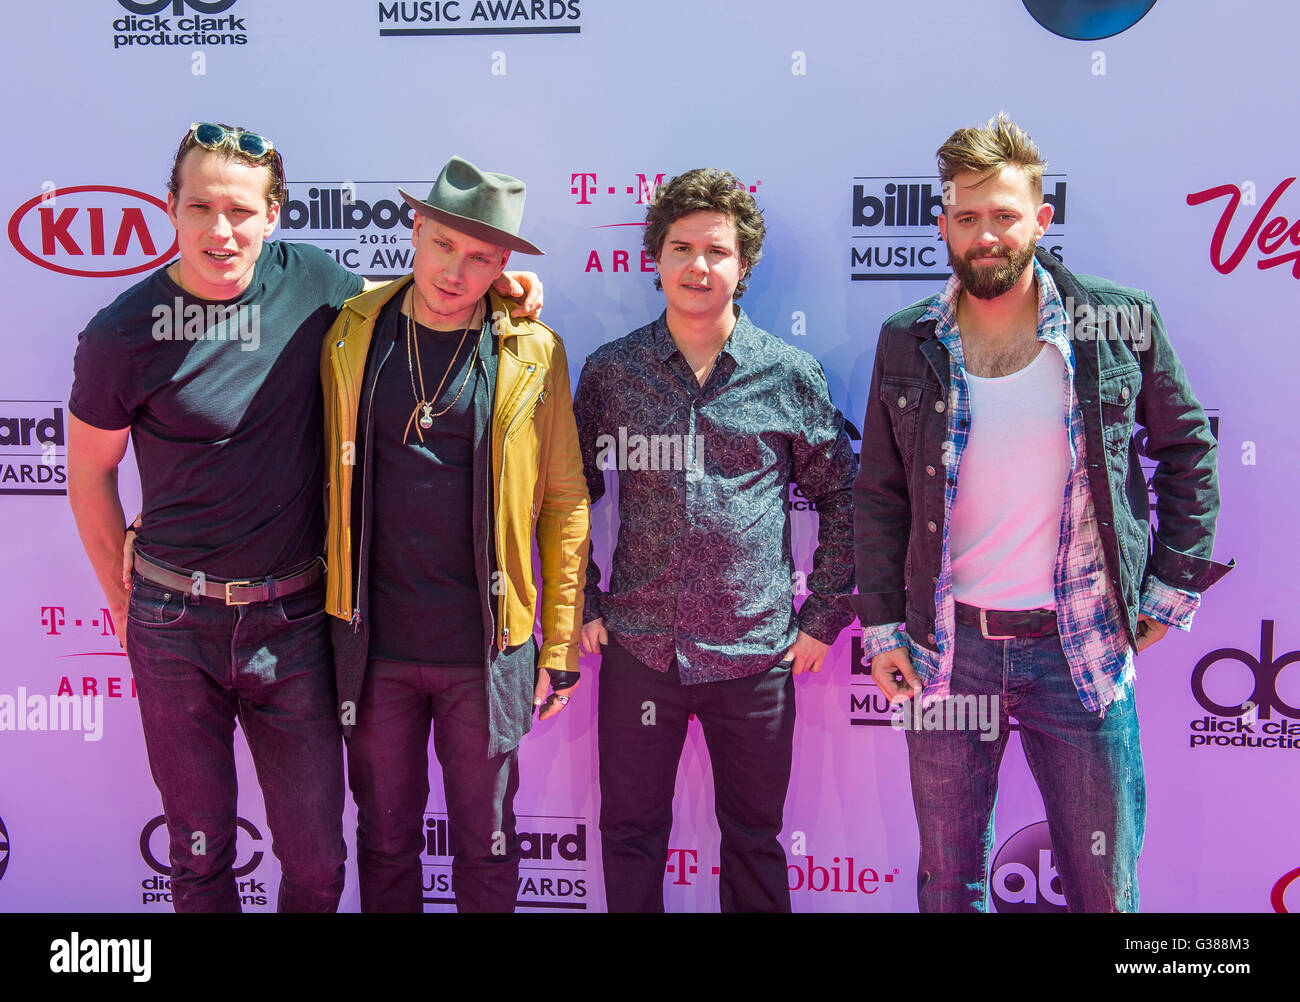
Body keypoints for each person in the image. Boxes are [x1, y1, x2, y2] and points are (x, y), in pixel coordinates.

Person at [66, 123, 539, 912]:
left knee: (318, 864)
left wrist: (506, 290)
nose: (221, 230)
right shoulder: (122, 333)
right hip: (174, 626)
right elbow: (89, 472)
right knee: (198, 853)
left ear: (275, 215)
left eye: (242, 210)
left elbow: (425, 298)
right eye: (201, 207)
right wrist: (124, 604)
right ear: (169, 209)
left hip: (295, 623)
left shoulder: (321, 288)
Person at [852, 113, 1233, 912]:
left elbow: (1189, 448)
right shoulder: (907, 339)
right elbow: (881, 493)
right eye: (967, 218)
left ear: (1041, 219)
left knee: (1103, 886)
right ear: (944, 225)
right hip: (949, 652)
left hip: (1082, 649)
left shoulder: (1117, 320)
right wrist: (884, 626)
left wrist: (1169, 587)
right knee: (950, 886)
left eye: (1004, 215)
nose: (985, 235)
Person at [574, 168, 856, 912]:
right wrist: (583, 601)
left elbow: (843, 497)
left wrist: (823, 615)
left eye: (718, 251)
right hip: (640, 649)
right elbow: (567, 494)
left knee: (755, 839)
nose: (699, 266)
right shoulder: (613, 371)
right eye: (681, 248)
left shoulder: (789, 375)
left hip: (755, 653)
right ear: (656, 259)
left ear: (744, 265)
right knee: (630, 833)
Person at [321, 156, 589, 912]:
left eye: (481, 258)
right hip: (371, 647)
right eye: (443, 244)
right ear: (415, 230)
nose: (455, 270)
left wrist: (559, 644)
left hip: (487, 650)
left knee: (487, 841)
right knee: (385, 840)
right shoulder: (350, 330)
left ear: (504, 265)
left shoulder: (533, 351)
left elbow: (565, 500)